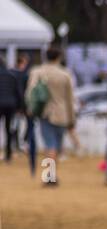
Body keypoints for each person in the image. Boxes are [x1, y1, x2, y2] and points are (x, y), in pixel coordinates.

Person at [25, 45, 77, 186]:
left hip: (45, 113)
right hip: (62, 114)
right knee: (57, 147)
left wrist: (31, 108)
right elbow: (70, 99)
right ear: (59, 57)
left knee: (50, 145)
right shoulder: (65, 74)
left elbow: (30, 92)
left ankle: (50, 176)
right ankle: (52, 175)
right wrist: (72, 119)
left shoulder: (38, 72)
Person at [0, 54, 19, 162]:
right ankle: (8, 156)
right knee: (8, 130)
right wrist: (20, 107)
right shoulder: (12, 75)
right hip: (10, 105)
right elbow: (18, 92)